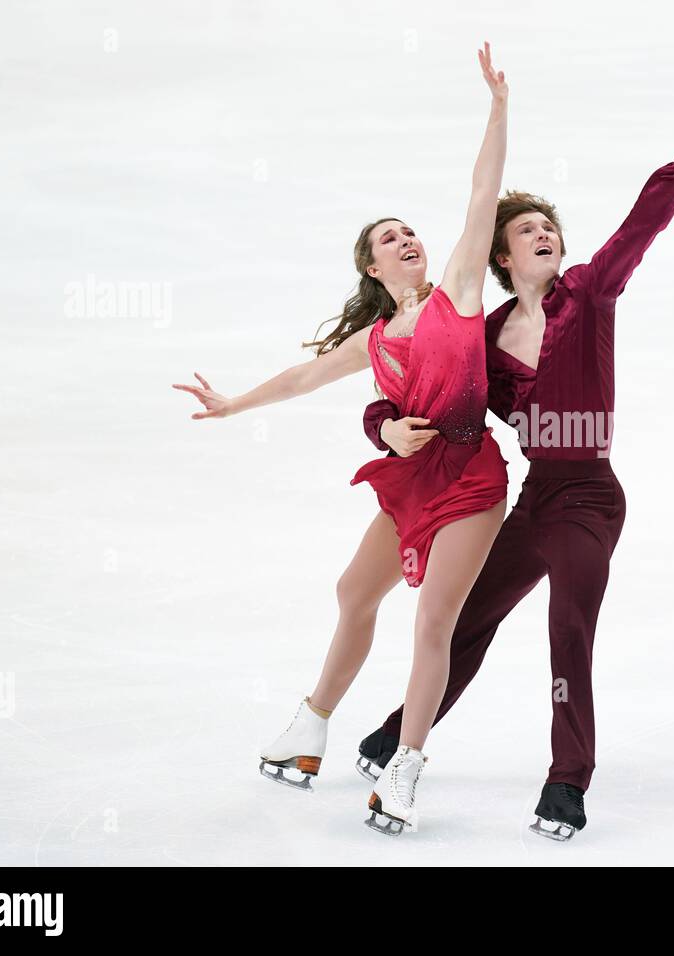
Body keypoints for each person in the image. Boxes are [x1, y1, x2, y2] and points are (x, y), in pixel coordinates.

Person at [357, 93, 674, 840]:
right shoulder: (490, 333)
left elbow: (645, 221)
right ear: (502, 257)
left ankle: (567, 782)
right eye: (526, 230)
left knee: (567, 629)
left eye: (549, 227)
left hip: (590, 500)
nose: (544, 234)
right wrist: (382, 422)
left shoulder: (591, 293)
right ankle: (393, 736)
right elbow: (437, 394)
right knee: (469, 616)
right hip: (535, 498)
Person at [173, 42, 512, 835]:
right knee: (354, 594)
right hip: (412, 481)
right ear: (371, 264)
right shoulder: (377, 338)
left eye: (409, 232)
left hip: (469, 479)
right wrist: (232, 406)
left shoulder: (457, 294)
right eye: (389, 238)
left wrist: (498, 108)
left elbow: (482, 194)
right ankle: (311, 729)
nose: (407, 240)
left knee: (432, 623)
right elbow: (300, 380)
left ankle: (405, 767)